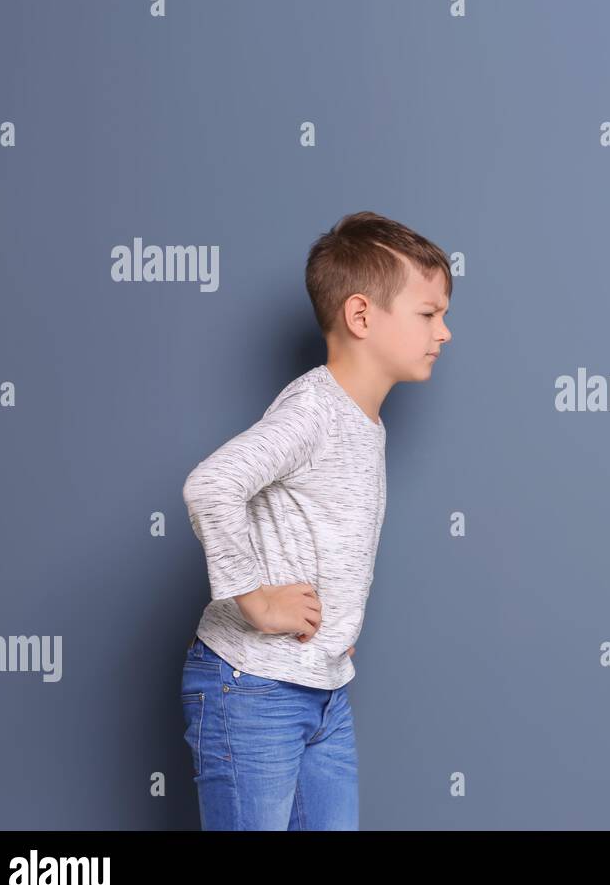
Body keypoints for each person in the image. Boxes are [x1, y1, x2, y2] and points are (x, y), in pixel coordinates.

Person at [178, 211, 453, 829]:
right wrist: (256, 601)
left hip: (322, 692)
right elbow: (211, 484)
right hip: (253, 689)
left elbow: (320, 532)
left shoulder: (362, 420)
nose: (445, 332)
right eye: (428, 313)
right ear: (361, 317)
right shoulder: (315, 411)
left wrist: (338, 626)